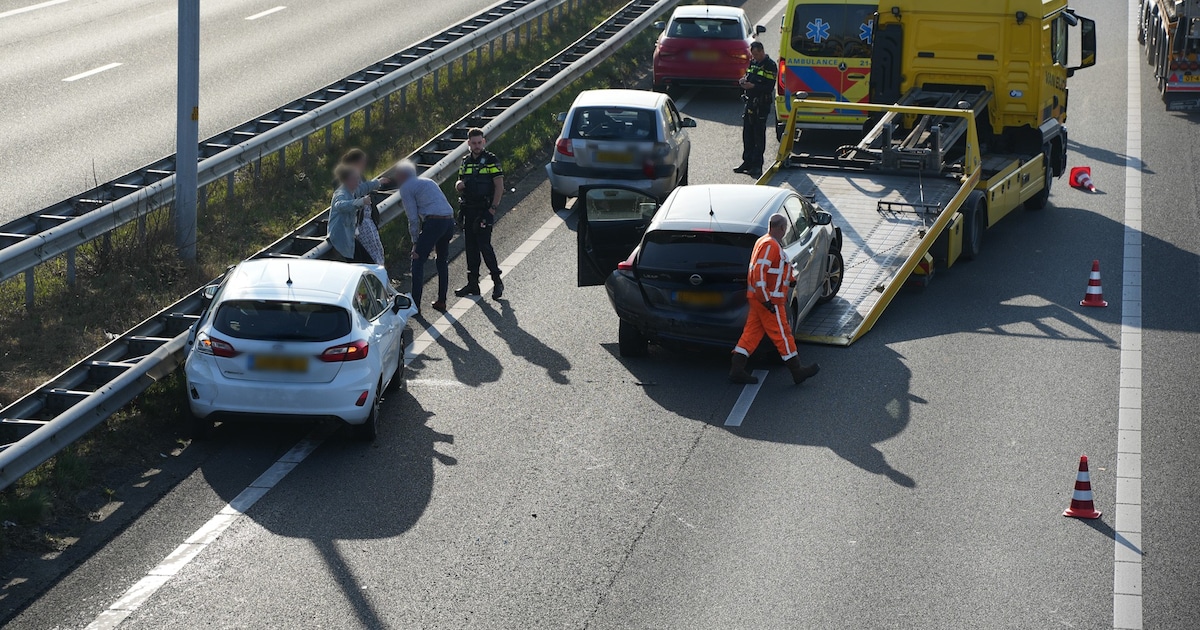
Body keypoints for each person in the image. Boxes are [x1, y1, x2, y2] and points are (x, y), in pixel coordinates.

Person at [729, 213, 820, 385]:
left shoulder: (764, 242)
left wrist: (790, 280)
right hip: (769, 301)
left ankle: (737, 369)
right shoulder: (771, 245)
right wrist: (766, 300)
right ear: (782, 228)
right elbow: (759, 272)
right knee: (783, 335)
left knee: (751, 333)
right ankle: (797, 370)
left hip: (761, 300)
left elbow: (772, 270)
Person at [394, 160, 456, 313]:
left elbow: (413, 218)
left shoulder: (406, 188)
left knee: (417, 260)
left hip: (434, 222)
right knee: (442, 259)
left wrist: (415, 241)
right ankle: (442, 300)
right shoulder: (428, 181)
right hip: (448, 220)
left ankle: (415, 305)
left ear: (402, 175)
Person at [453, 128, 505, 299]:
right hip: (469, 209)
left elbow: (499, 186)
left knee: (484, 246)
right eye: (473, 143)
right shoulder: (465, 162)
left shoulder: (491, 160)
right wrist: (458, 185)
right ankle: (473, 284)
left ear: (484, 141)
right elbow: (461, 181)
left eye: (479, 142)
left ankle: (497, 281)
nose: (477, 146)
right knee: (470, 248)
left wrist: (492, 209)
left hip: (484, 210)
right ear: (469, 144)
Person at [734, 42, 777, 179]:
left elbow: (769, 87)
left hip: (761, 105)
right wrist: (744, 81)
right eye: (753, 55)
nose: (755, 57)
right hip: (750, 103)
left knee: (758, 136)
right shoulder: (753, 63)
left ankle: (757, 166)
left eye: (757, 54)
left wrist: (753, 86)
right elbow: (749, 76)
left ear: (762, 51)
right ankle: (747, 162)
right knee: (747, 134)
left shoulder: (770, 65)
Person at [339, 149, 389, 266]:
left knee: (377, 251)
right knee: (371, 257)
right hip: (360, 225)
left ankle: (380, 278)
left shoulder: (359, 177)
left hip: (367, 221)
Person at [328, 163, 384, 263]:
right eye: (356, 179)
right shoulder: (341, 193)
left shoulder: (353, 190)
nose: (358, 182)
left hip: (349, 236)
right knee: (360, 264)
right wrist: (361, 202)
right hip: (341, 237)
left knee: (368, 261)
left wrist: (378, 182)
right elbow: (340, 205)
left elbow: (364, 187)